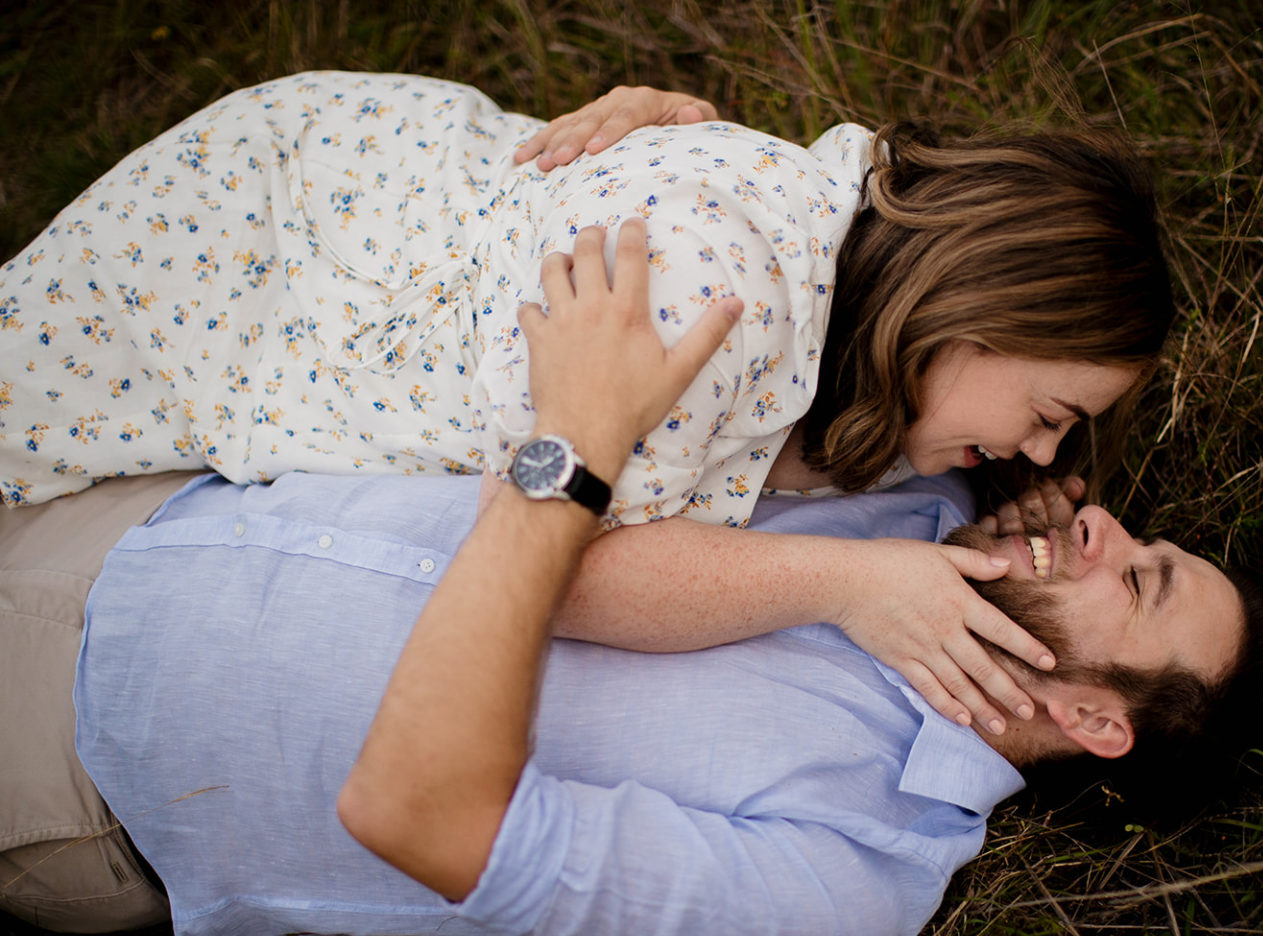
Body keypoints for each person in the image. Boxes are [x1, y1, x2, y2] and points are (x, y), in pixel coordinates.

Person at [0, 213, 1263, 936]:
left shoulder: (843, 878)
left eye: (1141, 581)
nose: (1106, 526)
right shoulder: (912, 494)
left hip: (83, 759)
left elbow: (423, 814)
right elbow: (824, 256)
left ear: (1092, 721)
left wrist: (575, 445)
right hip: (159, 494)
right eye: (1143, 539)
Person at [0, 72, 1173, 730]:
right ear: (977, 313)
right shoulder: (713, 308)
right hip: (263, 265)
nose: (1039, 445)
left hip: (364, 177)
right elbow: (554, 569)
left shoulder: (845, 257)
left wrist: (1010, 479)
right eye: (1052, 408)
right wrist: (856, 582)